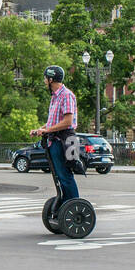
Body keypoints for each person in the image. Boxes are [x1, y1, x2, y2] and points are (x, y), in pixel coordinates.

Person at [30, 65, 79, 209]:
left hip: (63, 141)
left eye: (45, 77)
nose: (44, 80)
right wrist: (41, 129)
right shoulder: (55, 97)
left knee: (65, 176)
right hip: (54, 141)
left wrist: (47, 130)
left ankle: (74, 207)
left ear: (51, 79)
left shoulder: (66, 95)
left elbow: (68, 121)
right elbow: (53, 122)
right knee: (60, 176)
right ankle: (66, 205)